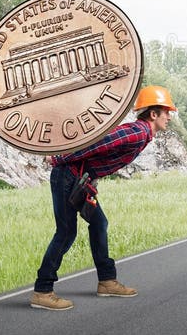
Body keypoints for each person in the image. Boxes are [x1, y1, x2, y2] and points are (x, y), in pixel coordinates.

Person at [30, 85, 177, 311]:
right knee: (66, 232)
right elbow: (100, 142)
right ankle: (43, 290)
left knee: (99, 223)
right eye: (166, 111)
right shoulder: (137, 132)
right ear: (154, 114)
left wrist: (90, 180)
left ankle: (107, 281)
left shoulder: (143, 134)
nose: (169, 116)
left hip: (79, 178)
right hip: (67, 174)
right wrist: (61, 157)